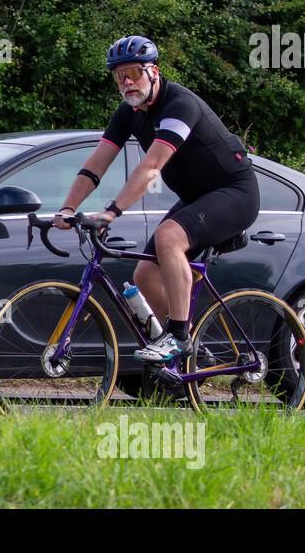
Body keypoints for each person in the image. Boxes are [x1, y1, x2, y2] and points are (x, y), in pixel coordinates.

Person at [54, 35, 259, 362]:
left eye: (134, 72)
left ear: (154, 72)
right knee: (145, 274)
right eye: (119, 77)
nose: (127, 82)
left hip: (234, 192)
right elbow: (96, 163)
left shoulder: (180, 105)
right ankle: (194, 352)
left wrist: (112, 212)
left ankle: (178, 337)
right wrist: (68, 207)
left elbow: (151, 166)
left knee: (168, 237)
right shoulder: (128, 113)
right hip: (196, 197)